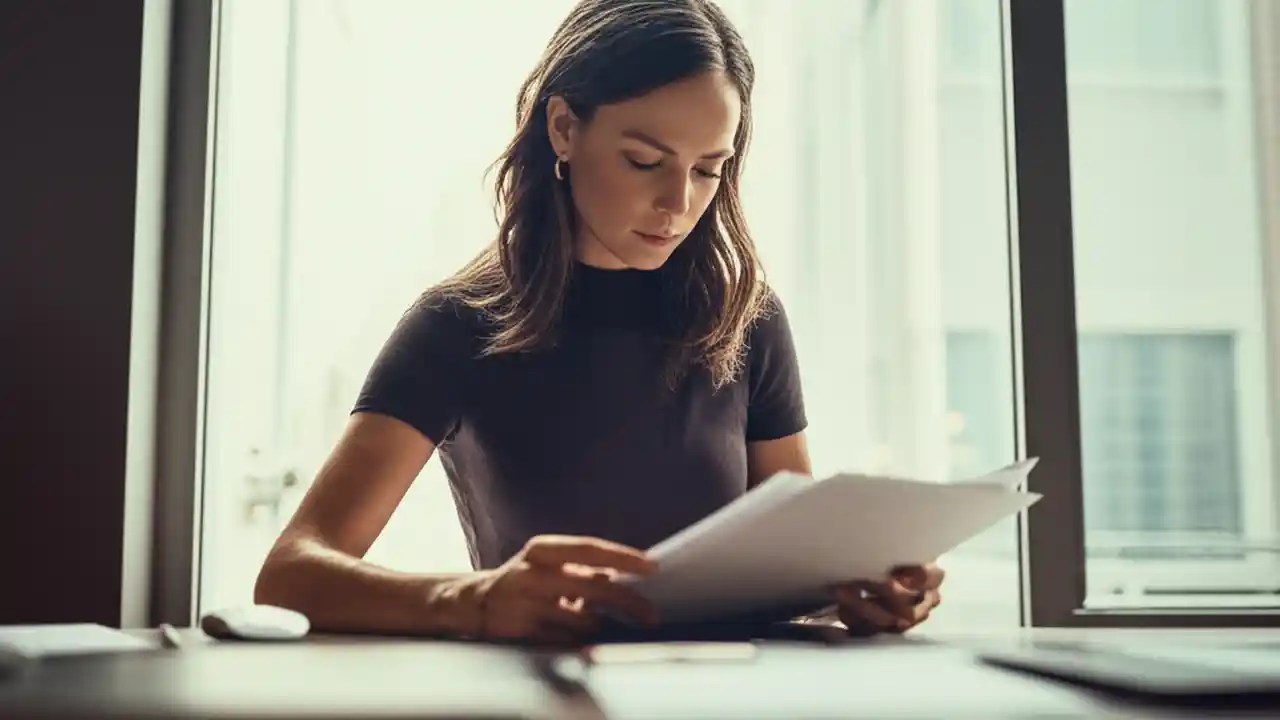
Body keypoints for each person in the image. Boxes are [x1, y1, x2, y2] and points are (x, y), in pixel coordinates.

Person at [255, 0, 944, 645]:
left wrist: (858, 593)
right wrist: (474, 600)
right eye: (644, 161)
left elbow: (788, 572)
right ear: (563, 128)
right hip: (551, 698)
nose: (677, 202)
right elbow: (291, 573)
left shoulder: (746, 317)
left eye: (709, 170)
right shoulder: (459, 323)